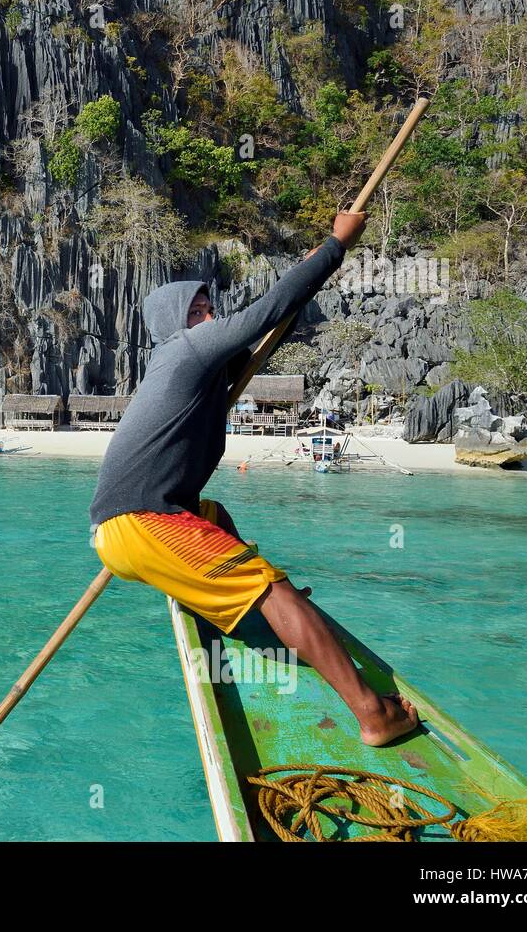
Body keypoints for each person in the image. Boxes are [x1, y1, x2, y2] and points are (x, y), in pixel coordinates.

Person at [89, 212, 419, 747]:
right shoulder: (189, 349)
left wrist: (313, 257)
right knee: (273, 588)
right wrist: (337, 244)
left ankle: (268, 623)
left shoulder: (181, 365)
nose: (210, 315)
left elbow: (266, 323)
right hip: (144, 522)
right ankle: (371, 714)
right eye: (196, 311)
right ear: (175, 322)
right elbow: (269, 308)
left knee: (215, 513)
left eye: (208, 306)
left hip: (123, 534)